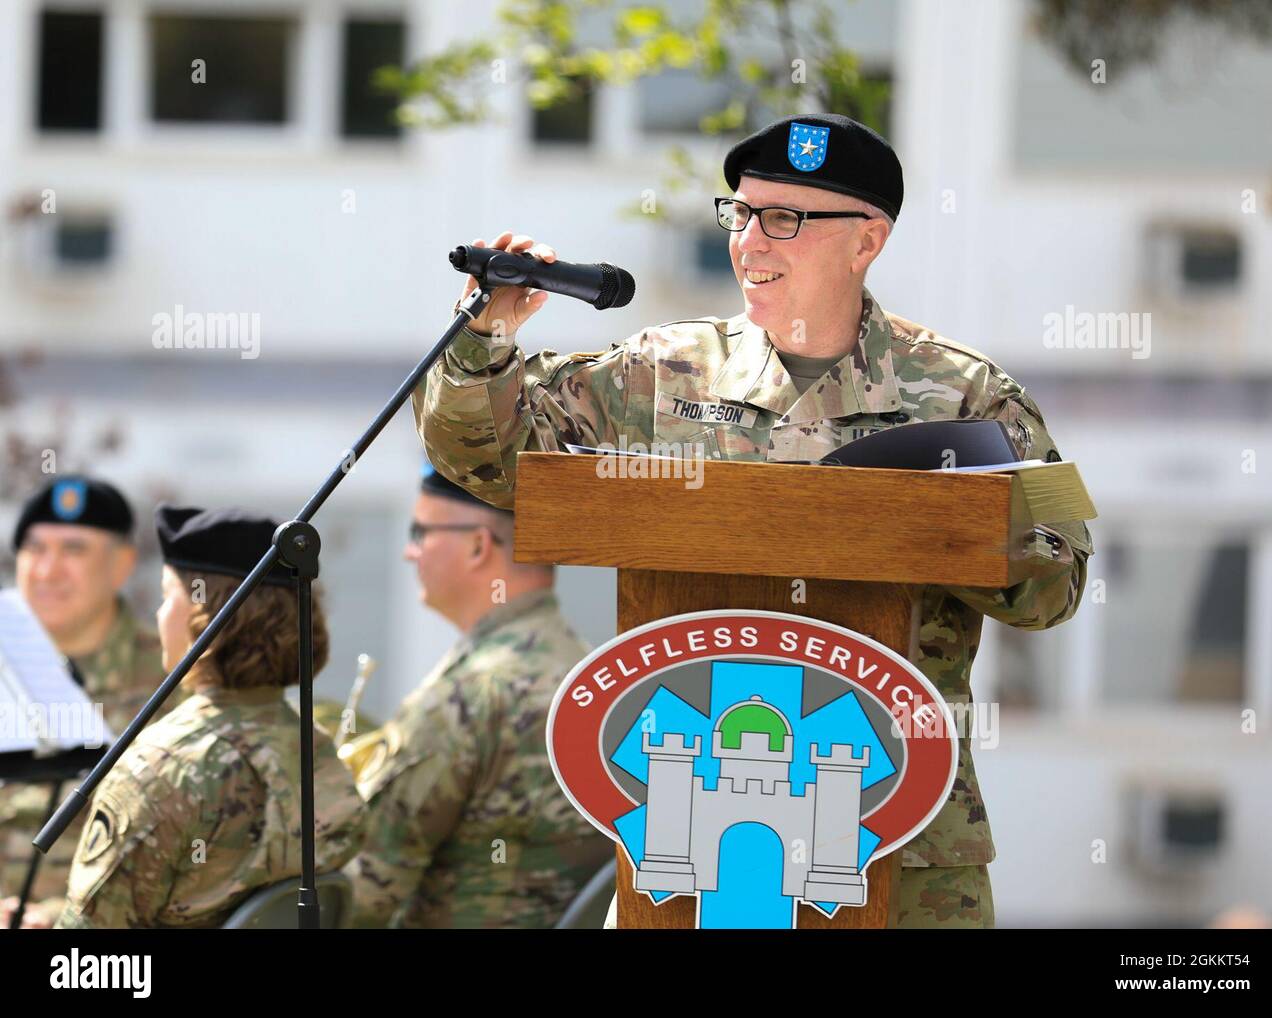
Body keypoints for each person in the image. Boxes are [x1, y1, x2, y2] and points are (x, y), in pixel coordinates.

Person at [413, 113, 1095, 928]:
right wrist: (485, 336)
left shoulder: (971, 394)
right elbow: (483, 460)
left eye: (784, 220)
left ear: (866, 241)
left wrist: (940, 526)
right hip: (683, 824)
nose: (749, 242)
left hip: (899, 837)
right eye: (739, 214)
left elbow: (1065, 579)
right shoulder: (661, 370)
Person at [53, 505, 365, 928]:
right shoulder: (317, 750)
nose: (160, 615)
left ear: (205, 616)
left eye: (168, 597)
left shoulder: (159, 770)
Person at [344, 467, 608, 928]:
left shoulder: (467, 696)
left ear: (477, 546)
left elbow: (361, 895)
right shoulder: (592, 676)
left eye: (420, 532)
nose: (410, 553)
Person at [0, 476, 168, 928]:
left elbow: (179, 844)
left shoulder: (171, 682)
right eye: (34, 549)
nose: (48, 570)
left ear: (122, 565)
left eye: (73, 550)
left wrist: (60, 918)